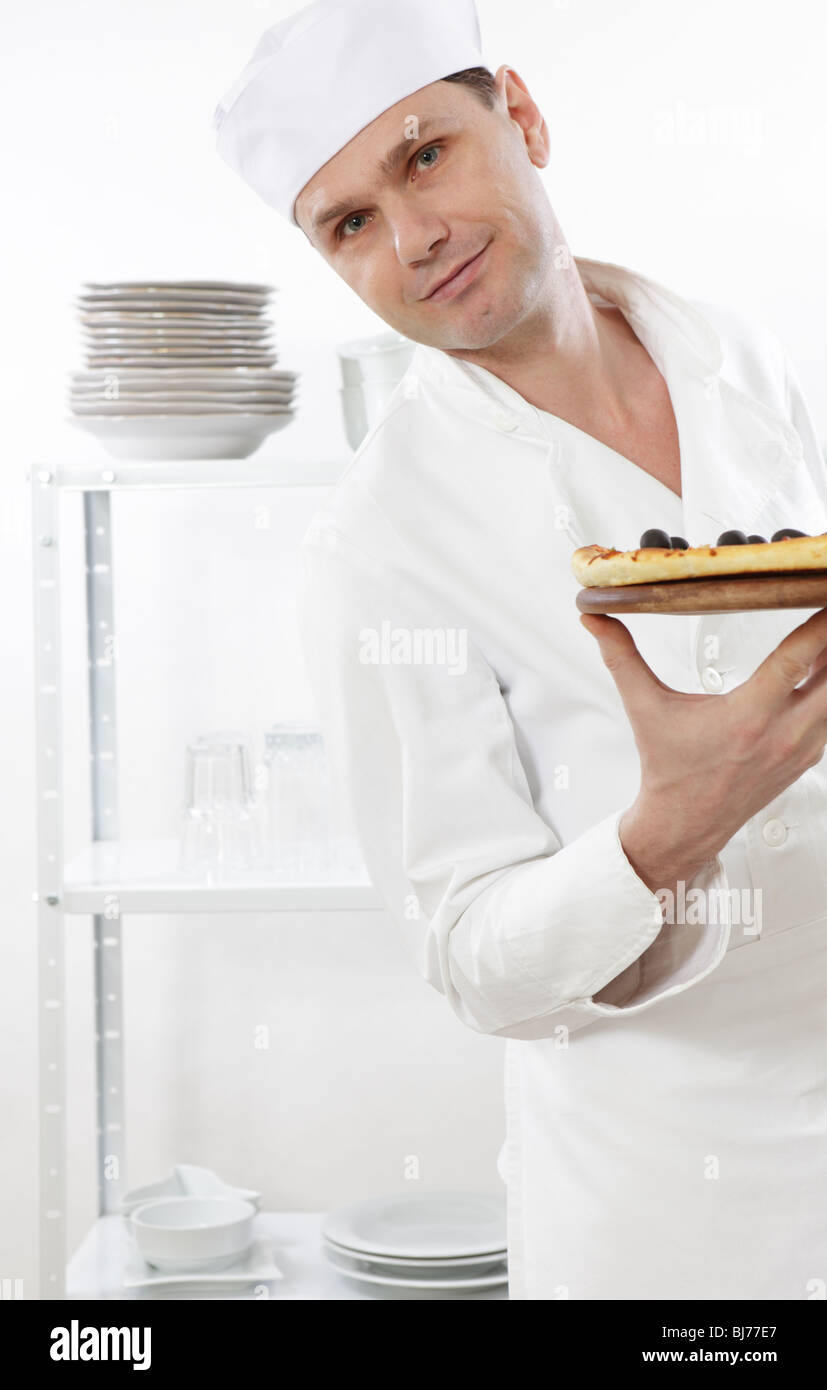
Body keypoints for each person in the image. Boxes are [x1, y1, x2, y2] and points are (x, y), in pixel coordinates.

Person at [212, 0, 827, 1299]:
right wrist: (668, 829)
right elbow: (472, 957)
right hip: (669, 1203)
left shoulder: (745, 361)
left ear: (522, 114)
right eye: (351, 224)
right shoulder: (378, 541)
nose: (414, 235)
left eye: (425, 153)